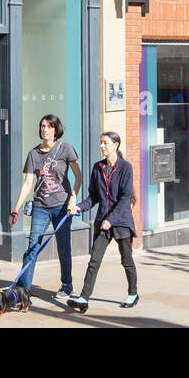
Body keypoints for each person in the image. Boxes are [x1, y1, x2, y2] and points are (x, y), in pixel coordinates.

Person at [10, 114, 82, 301]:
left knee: (63, 249)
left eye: (49, 127)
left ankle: (67, 285)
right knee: (33, 247)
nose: (45, 130)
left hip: (61, 206)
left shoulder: (65, 149)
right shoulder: (33, 154)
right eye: (42, 126)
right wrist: (16, 208)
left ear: (56, 130)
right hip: (40, 206)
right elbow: (27, 183)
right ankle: (22, 290)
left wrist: (73, 198)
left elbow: (78, 176)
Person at [66, 131, 139, 313]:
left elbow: (124, 199)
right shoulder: (97, 167)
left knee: (126, 260)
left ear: (115, 145)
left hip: (121, 222)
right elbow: (93, 198)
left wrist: (111, 219)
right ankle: (84, 298)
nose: (102, 146)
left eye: (105, 143)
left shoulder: (125, 168)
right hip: (102, 222)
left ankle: (133, 293)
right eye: (101, 143)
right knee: (94, 260)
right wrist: (79, 208)